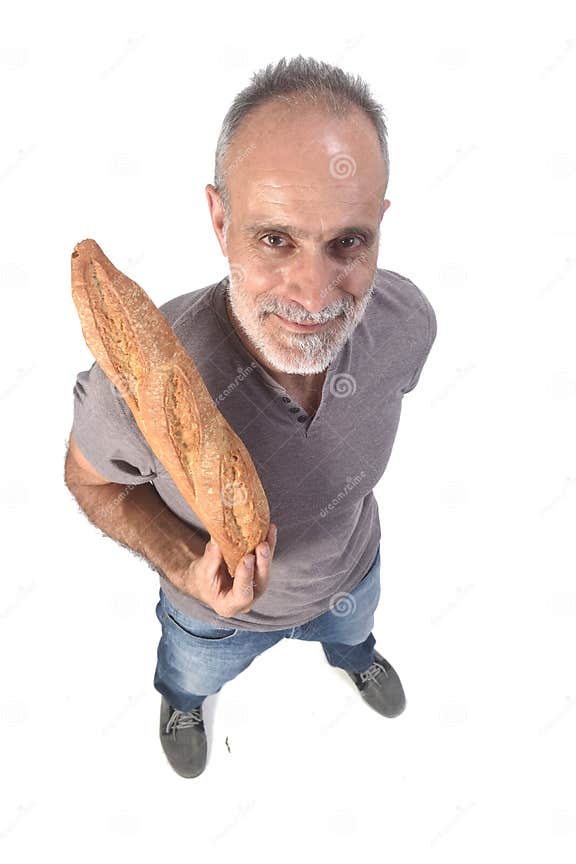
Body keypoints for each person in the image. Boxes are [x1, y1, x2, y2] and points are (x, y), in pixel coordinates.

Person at [64, 55, 438, 779]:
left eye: (348, 242)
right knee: (190, 671)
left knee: (354, 629)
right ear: (219, 219)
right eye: (275, 239)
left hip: (351, 575)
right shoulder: (131, 386)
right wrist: (183, 565)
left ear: (380, 223)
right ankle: (181, 700)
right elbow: (92, 483)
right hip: (213, 620)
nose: (312, 292)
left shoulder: (407, 322)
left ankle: (353, 656)